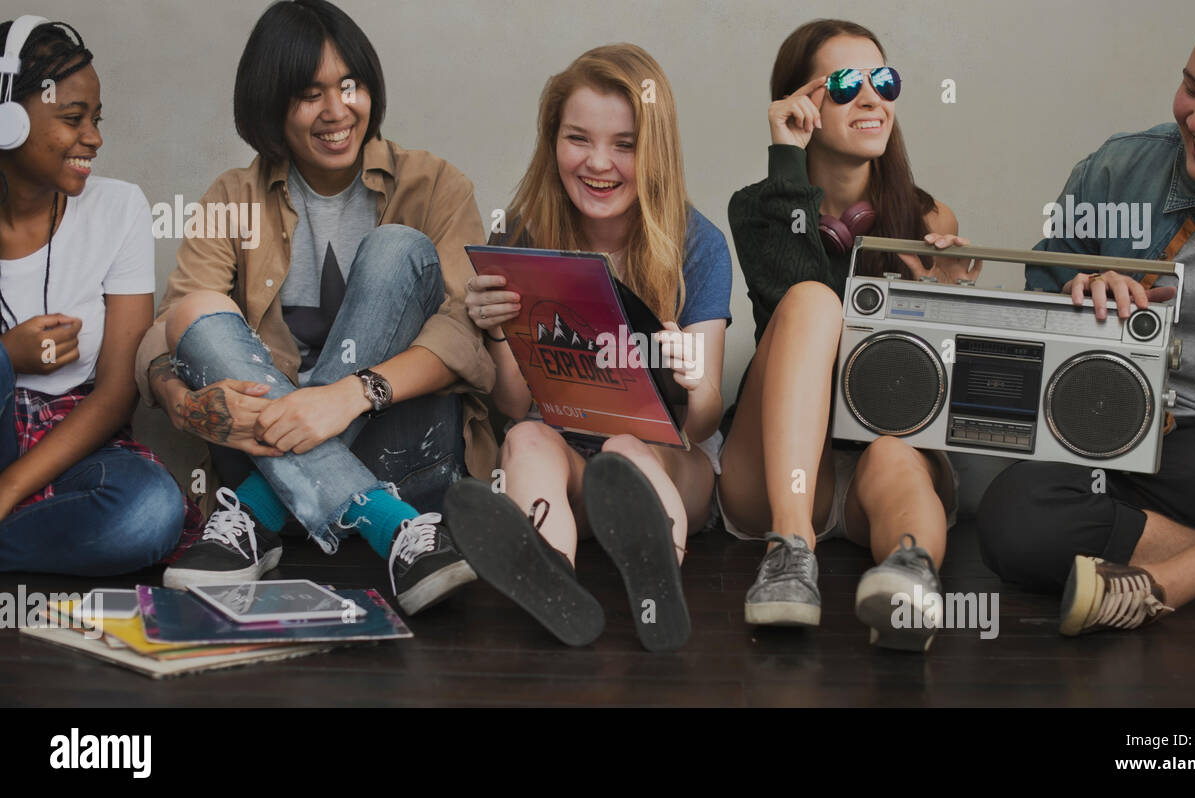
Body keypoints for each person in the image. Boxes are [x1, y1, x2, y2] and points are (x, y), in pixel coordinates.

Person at [138, 0, 496, 615]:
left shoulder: (434, 184)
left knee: (396, 249)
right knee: (194, 307)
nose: (338, 111)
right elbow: (164, 335)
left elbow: (466, 336)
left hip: (403, 455)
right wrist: (182, 401)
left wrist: (349, 395)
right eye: (310, 94)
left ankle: (254, 514)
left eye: (349, 85)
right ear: (272, 104)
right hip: (271, 448)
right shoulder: (233, 196)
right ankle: (396, 533)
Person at [977, 0, 1195, 636]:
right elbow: (1035, 304)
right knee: (1017, 517)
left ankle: (1164, 582)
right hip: (1138, 452)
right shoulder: (1118, 169)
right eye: (1190, 88)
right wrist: (1079, 287)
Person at [445, 44, 731, 652]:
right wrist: (498, 331)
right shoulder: (521, 233)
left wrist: (691, 377)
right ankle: (551, 574)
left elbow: (702, 419)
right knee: (523, 437)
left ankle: (658, 581)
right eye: (579, 139)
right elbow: (512, 402)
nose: (599, 163)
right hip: (567, 454)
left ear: (654, 150)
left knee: (628, 448)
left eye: (624, 144)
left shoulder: (697, 243)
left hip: (669, 461)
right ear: (553, 142)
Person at [721, 19, 978, 652]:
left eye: (883, 82)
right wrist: (787, 156)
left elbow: (942, 387)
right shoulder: (757, 207)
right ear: (800, 103)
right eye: (844, 84)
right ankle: (790, 553)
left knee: (894, 452)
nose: (871, 99)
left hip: (876, 465)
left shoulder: (926, 218)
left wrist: (950, 297)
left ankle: (909, 577)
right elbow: (794, 290)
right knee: (813, 301)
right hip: (778, 480)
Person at [0, 16, 190, 576]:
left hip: (75, 441)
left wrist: (9, 486)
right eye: (73, 118)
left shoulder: (119, 208)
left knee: (151, 511)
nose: (94, 138)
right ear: (6, 120)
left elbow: (114, 394)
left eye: (96, 119)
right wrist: (10, 356)